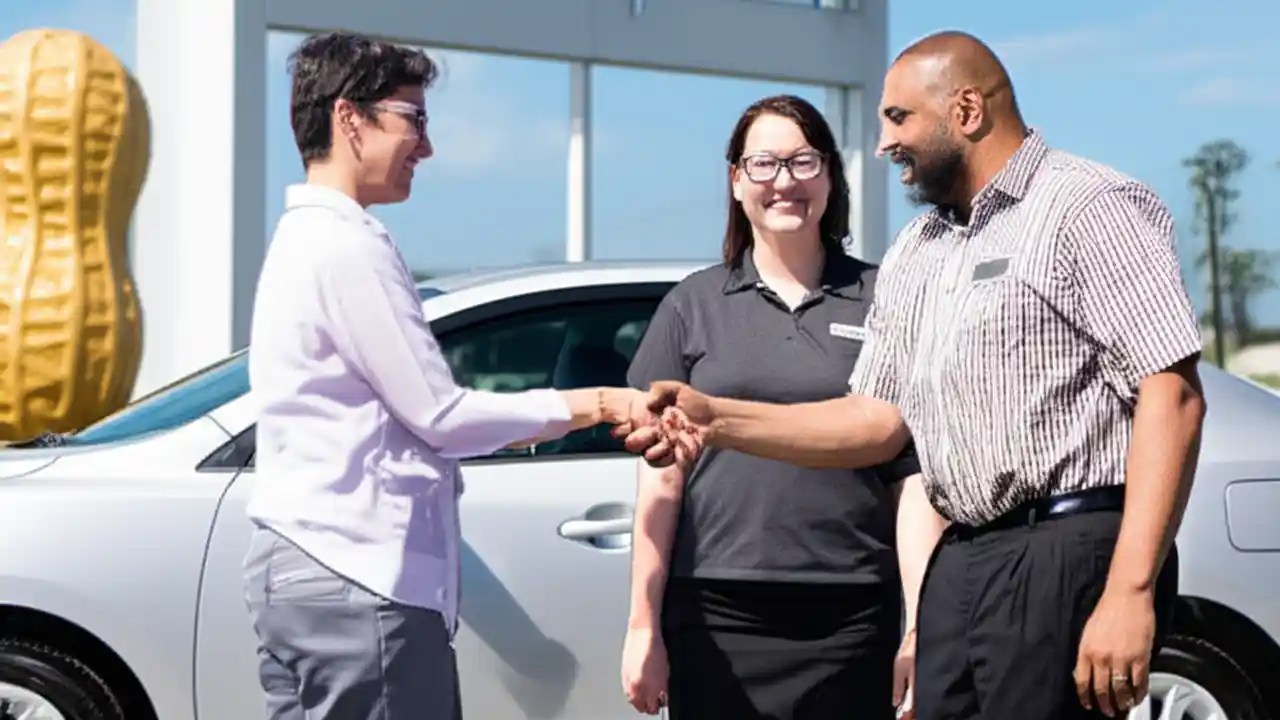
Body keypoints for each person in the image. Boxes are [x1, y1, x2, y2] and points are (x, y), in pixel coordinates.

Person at [621, 30, 1206, 720]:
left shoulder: (1088, 205)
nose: (882, 144)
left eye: (898, 118)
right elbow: (874, 421)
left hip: (1066, 547)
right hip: (962, 562)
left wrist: (1131, 591)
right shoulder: (920, 250)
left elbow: (1172, 393)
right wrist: (716, 418)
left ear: (965, 111)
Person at [242, 32, 650, 720]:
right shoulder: (350, 246)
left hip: (300, 567)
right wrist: (599, 402)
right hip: (358, 572)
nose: (425, 147)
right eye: (414, 119)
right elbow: (441, 414)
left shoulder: (300, 240)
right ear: (350, 117)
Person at [618, 94, 941, 720]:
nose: (784, 182)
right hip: (716, 607)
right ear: (737, 181)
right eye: (763, 164)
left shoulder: (884, 298)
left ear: (829, 175)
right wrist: (642, 626)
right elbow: (659, 483)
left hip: (851, 609)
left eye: (803, 162)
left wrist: (918, 628)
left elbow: (913, 482)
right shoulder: (693, 303)